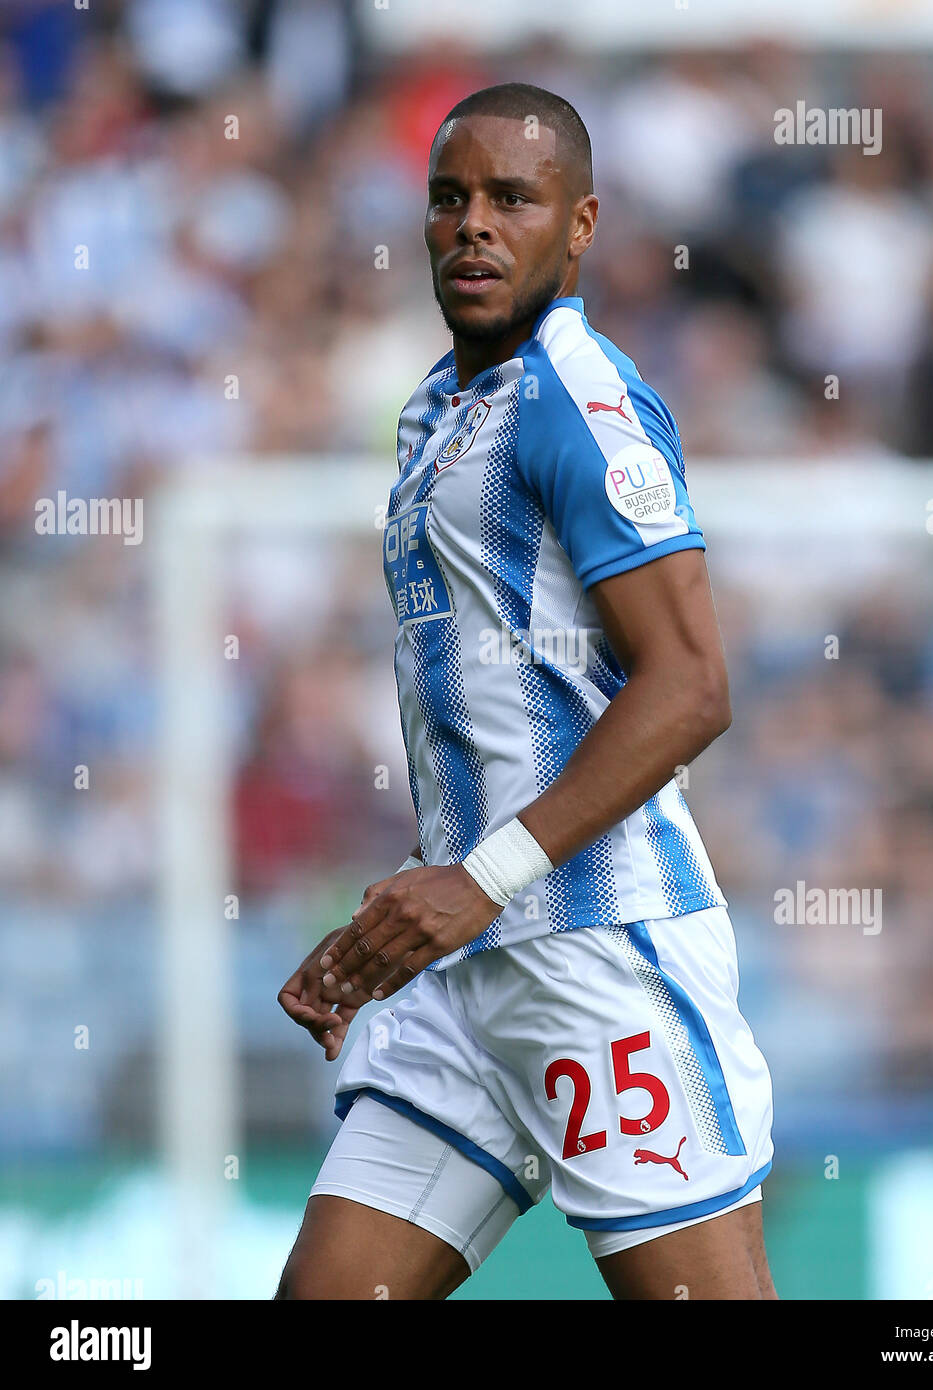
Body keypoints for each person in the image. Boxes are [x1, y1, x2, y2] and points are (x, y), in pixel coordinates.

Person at [276, 83, 775, 1301]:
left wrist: (479, 882)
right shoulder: (439, 412)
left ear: (581, 223)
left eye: (513, 198)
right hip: (465, 975)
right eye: (450, 199)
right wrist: (396, 926)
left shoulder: (577, 401)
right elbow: (502, 717)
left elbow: (693, 685)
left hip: (591, 953)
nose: (474, 226)